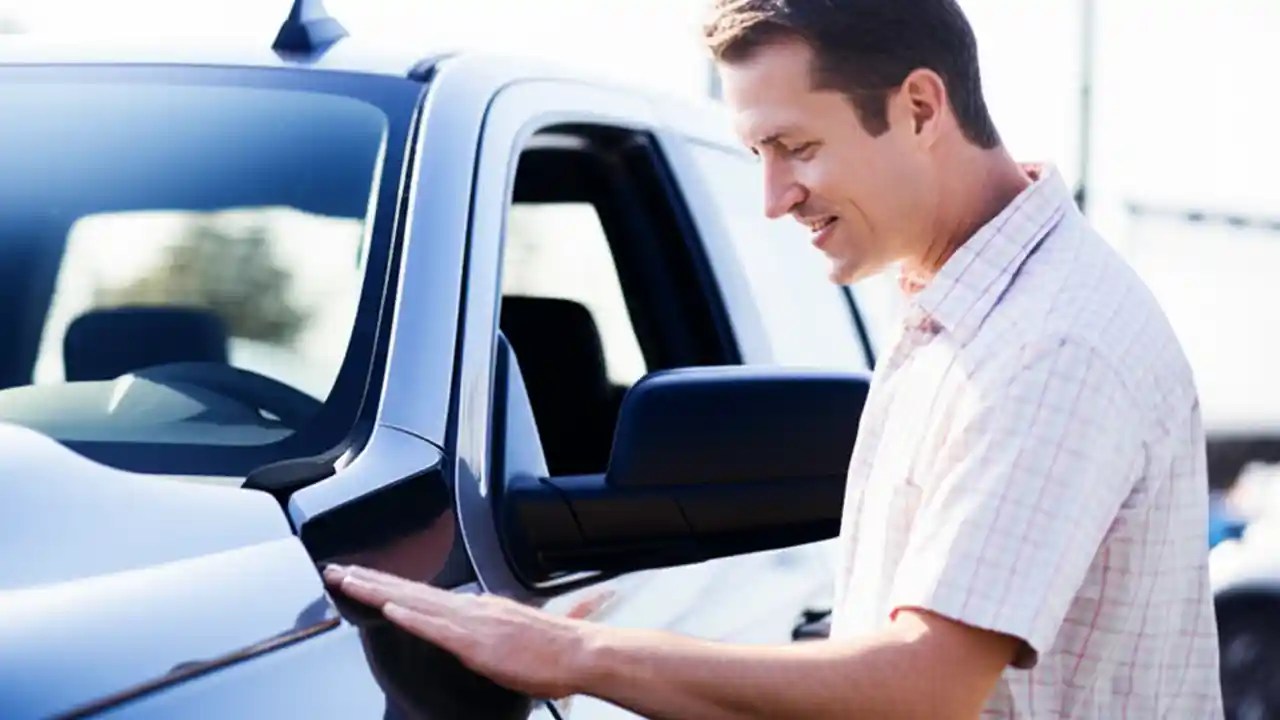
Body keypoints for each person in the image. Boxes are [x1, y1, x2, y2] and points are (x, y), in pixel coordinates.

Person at [325, 1, 1224, 716]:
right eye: (758, 153)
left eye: (797, 147)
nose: (773, 197)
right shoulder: (963, 311)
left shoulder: (1050, 344)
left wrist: (575, 655)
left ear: (919, 107)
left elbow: (924, 689)